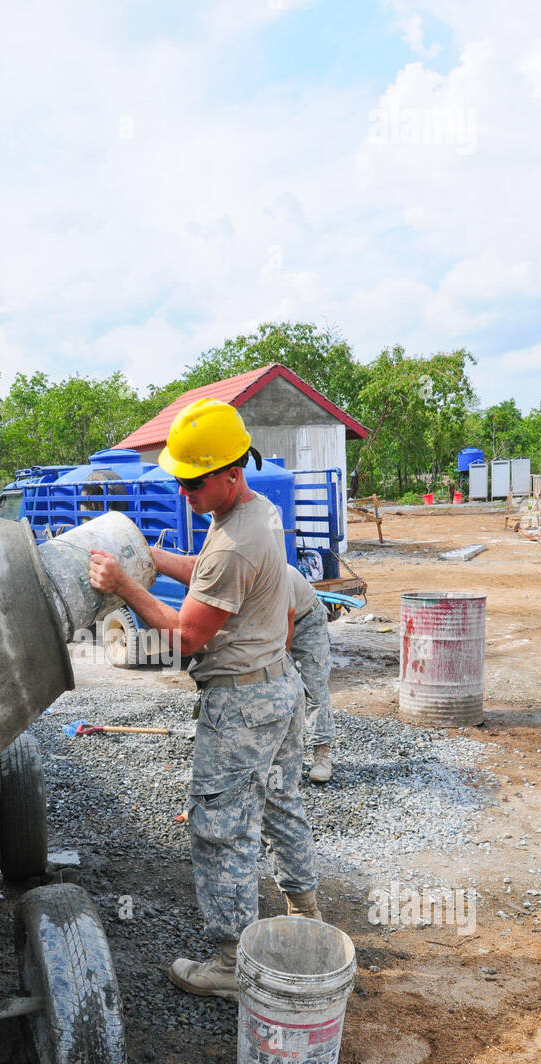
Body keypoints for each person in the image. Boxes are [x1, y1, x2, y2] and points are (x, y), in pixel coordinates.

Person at [87, 398, 319, 1002]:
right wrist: (156, 558)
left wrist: (125, 585)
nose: (183, 489)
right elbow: (212, 573)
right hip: (279, 686)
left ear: (229, 473)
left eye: (193, 480)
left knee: (221, 829)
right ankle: (306, 914)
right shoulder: (256, 512)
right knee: (282, 803)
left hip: (242, 703)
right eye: (179, 479)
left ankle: (230, 965)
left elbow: (184, 638)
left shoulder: (234, 542)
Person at [288, 563, 335, 784]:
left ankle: (321, 755)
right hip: (276, 622)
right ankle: (281, 755)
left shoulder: (276, 576)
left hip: (307, 620)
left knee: (314, 689)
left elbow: (285, 624)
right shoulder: (235, 576)